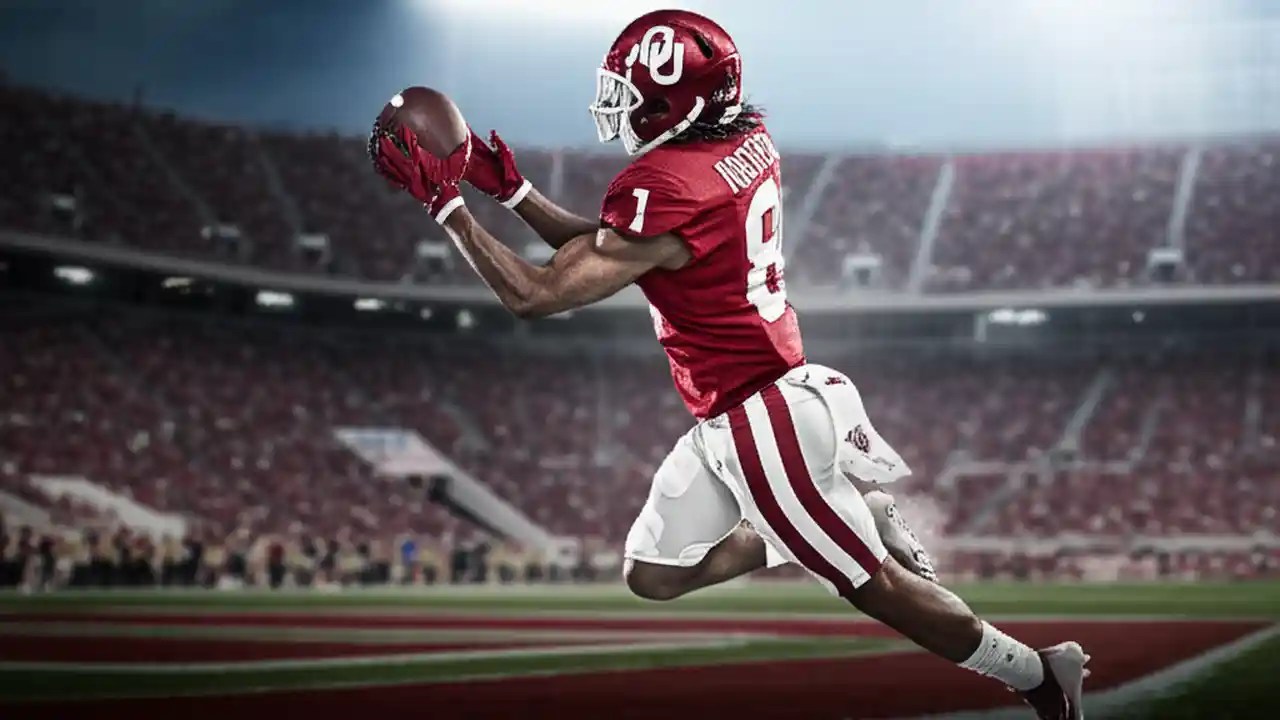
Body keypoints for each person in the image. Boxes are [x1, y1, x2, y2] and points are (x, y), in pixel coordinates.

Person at [369, 10, 1087, 718]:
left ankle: (1036, 673)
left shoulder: (665, 189)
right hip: (749, 406)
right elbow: (625, 247)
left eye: (632, 94)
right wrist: (516, 194)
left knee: (877, 588)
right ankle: (839, 517)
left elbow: (539, 291)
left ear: (673, 103)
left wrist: (447, 206)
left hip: (762, 417)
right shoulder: (743, 138)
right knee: (650, 574)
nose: (618, 108)